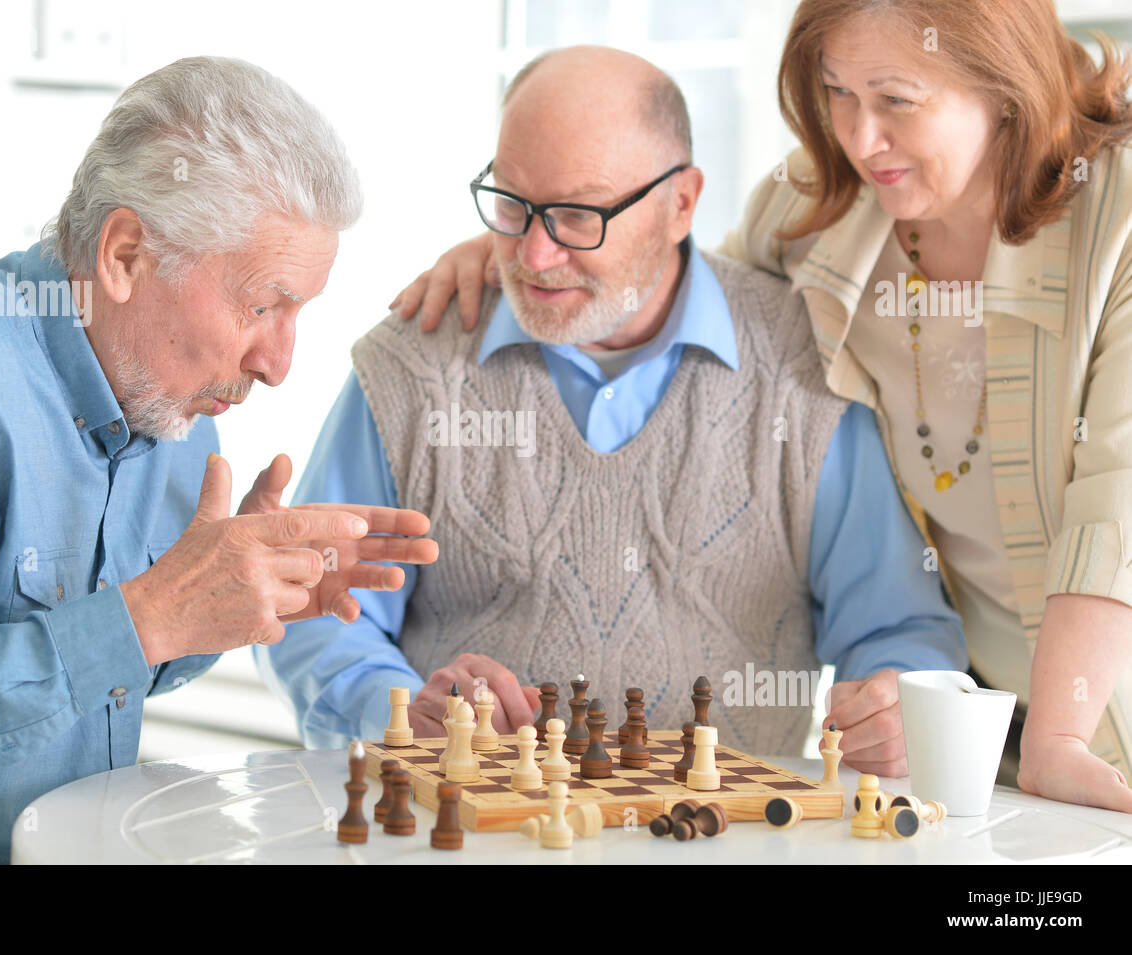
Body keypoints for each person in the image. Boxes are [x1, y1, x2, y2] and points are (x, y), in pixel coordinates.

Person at [387, 2, 1132, 813]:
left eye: (896, 100)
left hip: (1088, 729)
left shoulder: (1116, 211)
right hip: (989, 737)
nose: (859, 136)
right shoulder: (818, 208)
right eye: (836, 91)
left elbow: (1117, 499)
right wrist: (531, 247)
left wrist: (1058, 738)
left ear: (1005, 84)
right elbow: (680, 285)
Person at [260, 46, 965, 767]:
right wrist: (400, 712)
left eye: (576, 214)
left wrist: (900, 700)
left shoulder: (805, 367)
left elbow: (898, 623)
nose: (534, 255)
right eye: (512, 204)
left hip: (733, 839)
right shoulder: (412, 364)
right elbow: (317, 613)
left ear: (680, 204)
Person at [0, 56, 438, 864]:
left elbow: (106, 679)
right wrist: (146, 615)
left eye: (298, 313)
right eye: (262, 305)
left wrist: (208, 608)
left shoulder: (177, 402)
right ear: (125, 255)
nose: (279, 363)